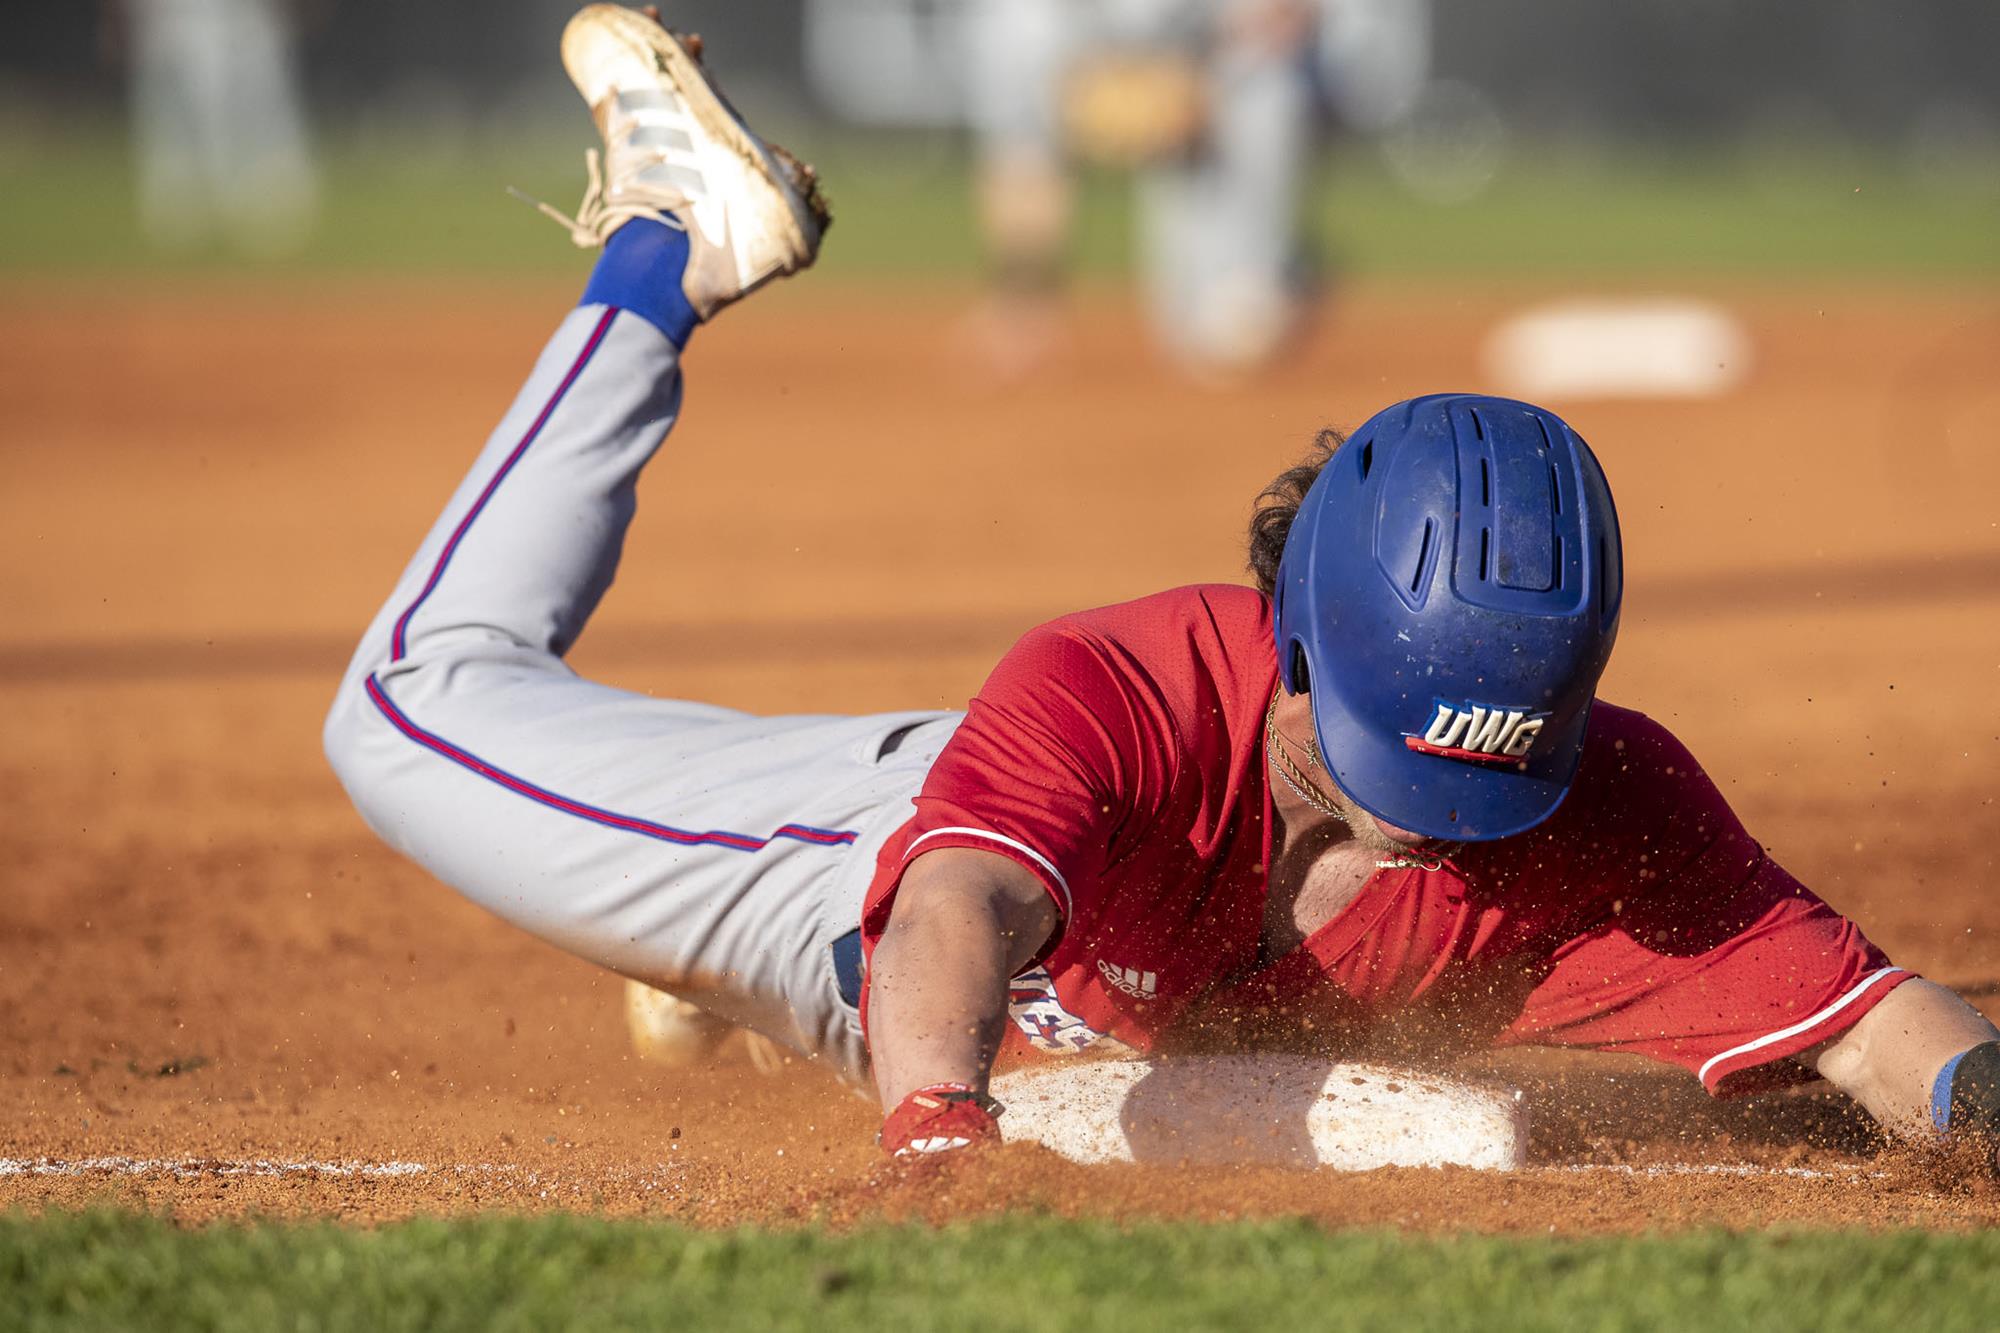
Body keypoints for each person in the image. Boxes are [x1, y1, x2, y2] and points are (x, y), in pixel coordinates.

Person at [323, 4, 2000, 1167]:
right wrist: (939, 1149)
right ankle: (669, 247)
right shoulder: (1123, 686)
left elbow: (1873, 1021)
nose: (1441, 826)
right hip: (844, 881)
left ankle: (699, 1001)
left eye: (1496, 773)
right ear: (1299, 643)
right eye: (1405, 761)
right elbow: (953, 905)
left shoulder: (1605, 801)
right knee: (403, 710)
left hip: (1010, 986)